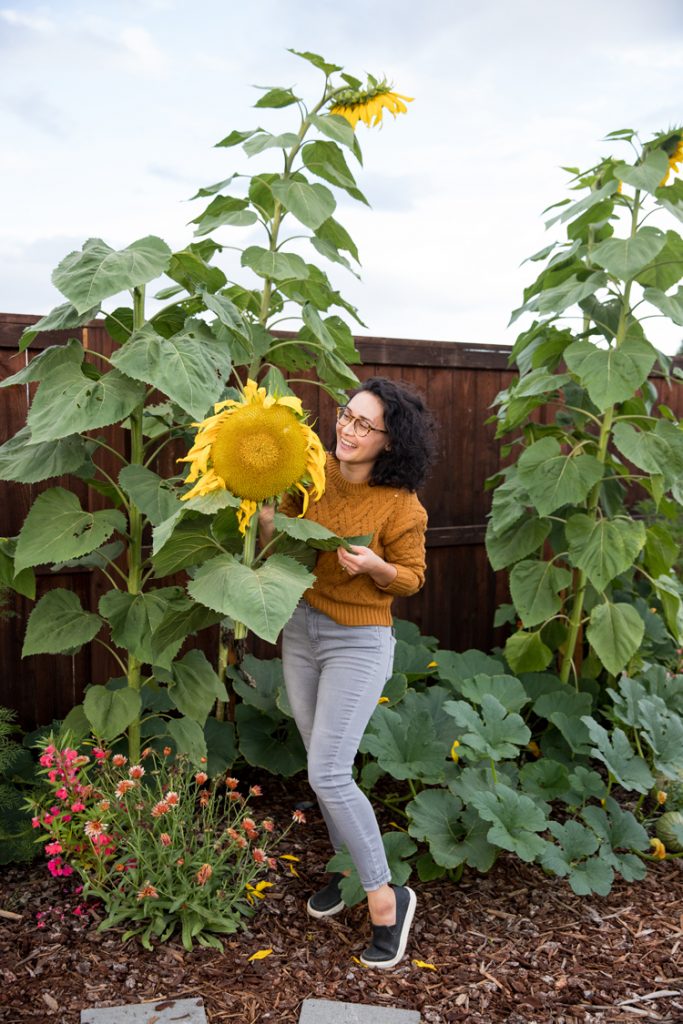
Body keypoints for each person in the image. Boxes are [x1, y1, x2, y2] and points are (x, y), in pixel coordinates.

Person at [259, 376, 435, 968]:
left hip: (359, 641)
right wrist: (265, 519)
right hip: (301, 629)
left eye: (364, 424)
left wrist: (377, 567)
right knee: (322, 769)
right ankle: (346, 871)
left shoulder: (402, 505)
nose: (348, 429)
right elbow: (282, 539)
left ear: (389, 441)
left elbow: (411, 578)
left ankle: (387, 898)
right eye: (346, 415)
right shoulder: (315, 475)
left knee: (330, 772)